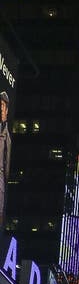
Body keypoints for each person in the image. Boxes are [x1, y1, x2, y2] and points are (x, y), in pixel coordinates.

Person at [0, 90, 11, 226]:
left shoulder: (7, 137)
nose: (1, 108)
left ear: (7, 110)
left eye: (3, 105)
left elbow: (7, 167)